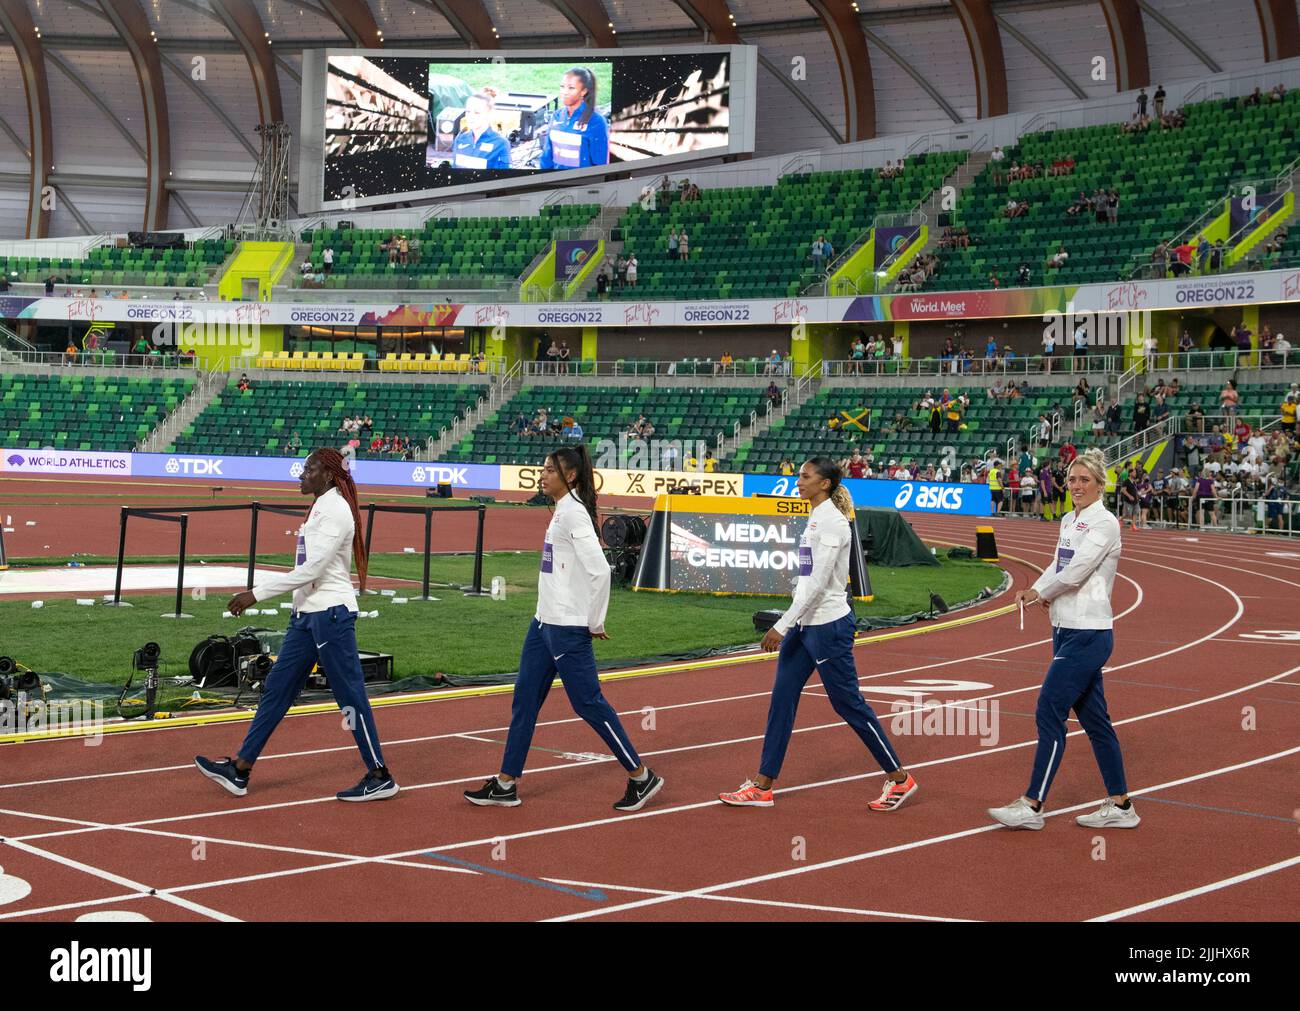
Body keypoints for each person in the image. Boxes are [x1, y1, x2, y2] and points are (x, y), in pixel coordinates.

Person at [464, 446, 662, 811]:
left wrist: (595, 620)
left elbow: (601, 570)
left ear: (569, 476)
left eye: (549, 470)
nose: (542, 475)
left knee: (588, 703)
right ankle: (507, 783)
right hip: (542, 624)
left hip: (567, 628)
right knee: (524, 702)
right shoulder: (561, 511)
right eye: (542, 469)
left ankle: (641, 776)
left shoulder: (574, 514)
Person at [194, 449, 397, 802]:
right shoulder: (320, 506)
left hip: (331, 615)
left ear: (329, 475)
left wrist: (256, 594)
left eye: (309, 470)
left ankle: (379, 774)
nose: (301, 475)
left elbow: (313, 570)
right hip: (306, 617)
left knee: (350, 697)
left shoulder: (336, 510)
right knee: (277, 690)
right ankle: (240, 769)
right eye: (303, 469)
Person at [718, 458, 917, 812]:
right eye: (799, 476)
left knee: (847, 704)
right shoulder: (816, 518)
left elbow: (819, 584)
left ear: (824, 484)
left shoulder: (832, 524)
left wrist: (782, 624)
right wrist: (794, 615)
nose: (798, 482)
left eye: (805, 477)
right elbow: (808, 578)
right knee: (782, 698)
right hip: (806, 625)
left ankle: (900, 778)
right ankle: (763, 785)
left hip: (827, 627)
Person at [988, 449, 1137, 830]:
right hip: (1065, 628)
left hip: (1089, 632)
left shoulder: (1105, 523)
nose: (1076, 486)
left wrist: (1044, 594)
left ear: (1101, 485)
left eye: (1085, 480)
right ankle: (1121, 805)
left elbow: (1077, 573)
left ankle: (1033, 804)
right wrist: (1033, 588)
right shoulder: (1070, 519)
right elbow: (1058, 564)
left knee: (1048, 709)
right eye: (1072, 480)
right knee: (1096, 721)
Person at [538, 67, 609, 170]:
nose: (564, 92)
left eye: (571, 88)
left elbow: (599, 163)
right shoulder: (556, 116)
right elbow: (547, 157)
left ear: (583, 91)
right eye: (562, 87)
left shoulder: (596, 122)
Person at [451, 88, 511, 170]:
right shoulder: (460, 139)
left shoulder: (501, 143)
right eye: (468, 111)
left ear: (489, 114)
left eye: (477, 112)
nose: (471, 116)